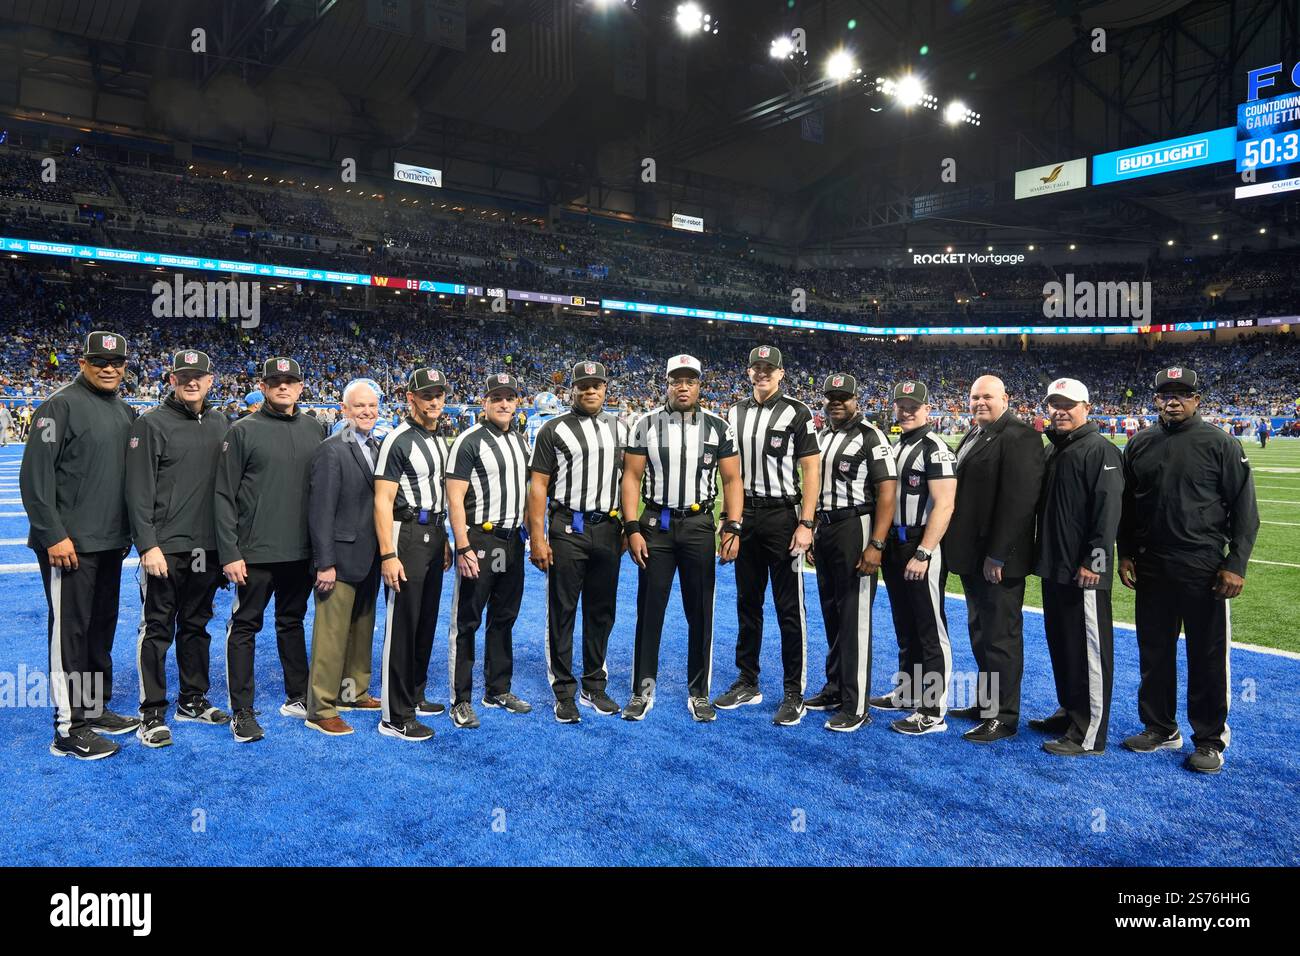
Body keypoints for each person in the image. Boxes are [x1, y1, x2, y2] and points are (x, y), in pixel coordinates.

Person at [1117, 366, 1259, 774]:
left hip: (1204, 567)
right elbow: (1127, 507)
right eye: (1165, 393)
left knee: (1208, 656)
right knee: (1155, 652)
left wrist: (1236, 563)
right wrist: (1125, 552)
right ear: (1156, 399)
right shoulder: (1140, 443)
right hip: (1153, 565)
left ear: (1198, 400)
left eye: (1182, 393)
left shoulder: (1220, 443)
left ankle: (1210, 740)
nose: (1173, 400)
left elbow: (1246, 510)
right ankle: (1160, 727)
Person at [21, 330, 140, 759]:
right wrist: (53, 534)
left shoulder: (126, 410)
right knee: (70, 631)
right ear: (83, 362)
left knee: (99, 628)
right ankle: (68, 727)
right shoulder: (58, 405)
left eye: (117, 362)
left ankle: (93, 707)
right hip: (68, 544)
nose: (109, 368)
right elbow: (35, 477)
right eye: (99, 362)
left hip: (109, 542)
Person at [620, 354, 743, 723]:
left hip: (699, 523)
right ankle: (642, 689)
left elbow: (733, 480)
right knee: (649, 611)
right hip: (655, 523)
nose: (684, 386)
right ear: (667, 383)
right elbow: (631, 478)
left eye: (691, 380)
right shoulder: (644, 424)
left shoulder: (719, 427)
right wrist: (632, 527)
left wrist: (733, 526)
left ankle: (699, 691)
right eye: (677, 380)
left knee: (700, 612)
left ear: (700, 384)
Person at [215, 357, 326, 743]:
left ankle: (298, 694)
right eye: (275, 381)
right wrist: (229, 551)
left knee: (292, 621)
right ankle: (241, 711)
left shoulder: (315, 428)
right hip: (254, 551)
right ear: (263, 386)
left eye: (290, 381)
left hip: (299, 551)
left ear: (300, 387)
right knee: (245, 626)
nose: (283, 387)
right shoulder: (242, 430)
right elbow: (223, 494)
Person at [126, 349, 231, 748]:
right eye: (183, 375)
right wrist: (148, 545)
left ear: (210, 380)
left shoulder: (222, 422)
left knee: (197, 624)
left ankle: (192, 698)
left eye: (198, 376)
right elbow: (137, 491)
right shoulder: (150, 423)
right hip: (166, 548)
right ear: (171, 379)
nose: (191, 382)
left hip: (206, 547)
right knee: (156, 628)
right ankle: (151, 712)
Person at [714, 346, 820, 727]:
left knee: (789, 608)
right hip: (746, 517)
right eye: (756, 369)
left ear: (781, 373)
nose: (762, 374)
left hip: (782, 516)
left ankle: (794, 691)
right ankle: (748, 680)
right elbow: (730, 474)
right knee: (748, 602)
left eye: (768, 369)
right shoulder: (734, 412)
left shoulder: (797, 411)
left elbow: (811, 470)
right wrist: (729, 520)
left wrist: (807, 523)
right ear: (748, 373)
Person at [945, 375, 1045, 743]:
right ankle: (987, 704)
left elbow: (1019, 504)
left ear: (1005, 398)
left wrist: (998, 555)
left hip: (997, 559)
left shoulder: (1020, 436)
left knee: (1000, 636)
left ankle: (1003, 716)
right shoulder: (977, 432)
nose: (979, 402)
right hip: (974, 556)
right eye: (974, 397)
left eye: (987, 396)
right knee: (981, 632)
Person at [526, 361, 626, 723]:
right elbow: (538, 486)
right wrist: (537, 537)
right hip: (568, 526)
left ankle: (594, 684)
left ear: (605, 389)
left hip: (608, 528)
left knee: (602, 610)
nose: (590, 391)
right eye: (583, 385)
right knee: (563, 609)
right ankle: (564, 689)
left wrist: (628, 527)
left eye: (596, 384)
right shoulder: (553, 429)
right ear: (572, 390)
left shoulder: (618, 428)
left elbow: (627, 479)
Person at [1031, 378, 1123, 756]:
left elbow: (1108, 513)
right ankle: (1070, 710)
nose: (1059, 410)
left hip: (1084, 571)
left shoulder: (1100, 449)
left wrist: (1095, 564)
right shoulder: (1057, 449)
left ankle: (1089, 733)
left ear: (1086, 406)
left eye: (1067, 404)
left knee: (1088, 651)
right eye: (1053, 404)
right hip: (1055, 567)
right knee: (1064, 644)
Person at [808, 373, 897, 732]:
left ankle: (857, 704)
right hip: (826, 527)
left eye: (843, 397)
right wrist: (814, 530)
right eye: (831, 396)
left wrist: (876, 544)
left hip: (855, 525)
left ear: (857, 399)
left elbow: (887, 493)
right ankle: (834, 688)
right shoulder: (822, 435)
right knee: (832, 613)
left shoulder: (871, 436)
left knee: (854, 619)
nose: (836, 402)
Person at [446, 372, 534, 729]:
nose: (503, 403)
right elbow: (453, 497)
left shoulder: (521, 441)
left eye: (509, 397)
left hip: (512, 539)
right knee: (467, 620)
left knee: (504, 617)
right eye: (496, 397)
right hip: (479, 539)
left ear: (516, 402)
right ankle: (460, 699)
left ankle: (497, 688)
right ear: (485, 402)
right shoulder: (469, 440)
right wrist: (462, 544)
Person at [870, 380, 956, 735]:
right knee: (906, 626)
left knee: (930, 630)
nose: (905, 412)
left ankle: (933, 710)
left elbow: (945, 503)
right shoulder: (898, 444)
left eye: (912, 406)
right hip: (894, 545)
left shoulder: (935, 448)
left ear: (927, 409)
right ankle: (907, 692)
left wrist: (924, 551)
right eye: (900, 406)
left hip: (920, 544)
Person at [374, 368, 453, 742]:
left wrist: (446, 539)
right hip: (405, 533)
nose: (434, 400)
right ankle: (394, 715)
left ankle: (415, 694)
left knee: (425, 620)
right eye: (426, 395)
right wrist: (388, 553)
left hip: (435, 533)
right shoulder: (397, 439)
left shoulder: (440, 438)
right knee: (402, 624)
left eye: (438, 394)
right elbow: (382, 501)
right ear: (411, 398)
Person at [305, 380, 385, 737]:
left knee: (361, 630)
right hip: (338, 559)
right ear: (344, 410)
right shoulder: (332, 449)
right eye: (359, 407)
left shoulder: (379, 447)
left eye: (372, 406)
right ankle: (321, 708)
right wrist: (325, 562)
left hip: (369, 556)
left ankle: (352, 692)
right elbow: (320, 511)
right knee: (331, 636)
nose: (367, 412)